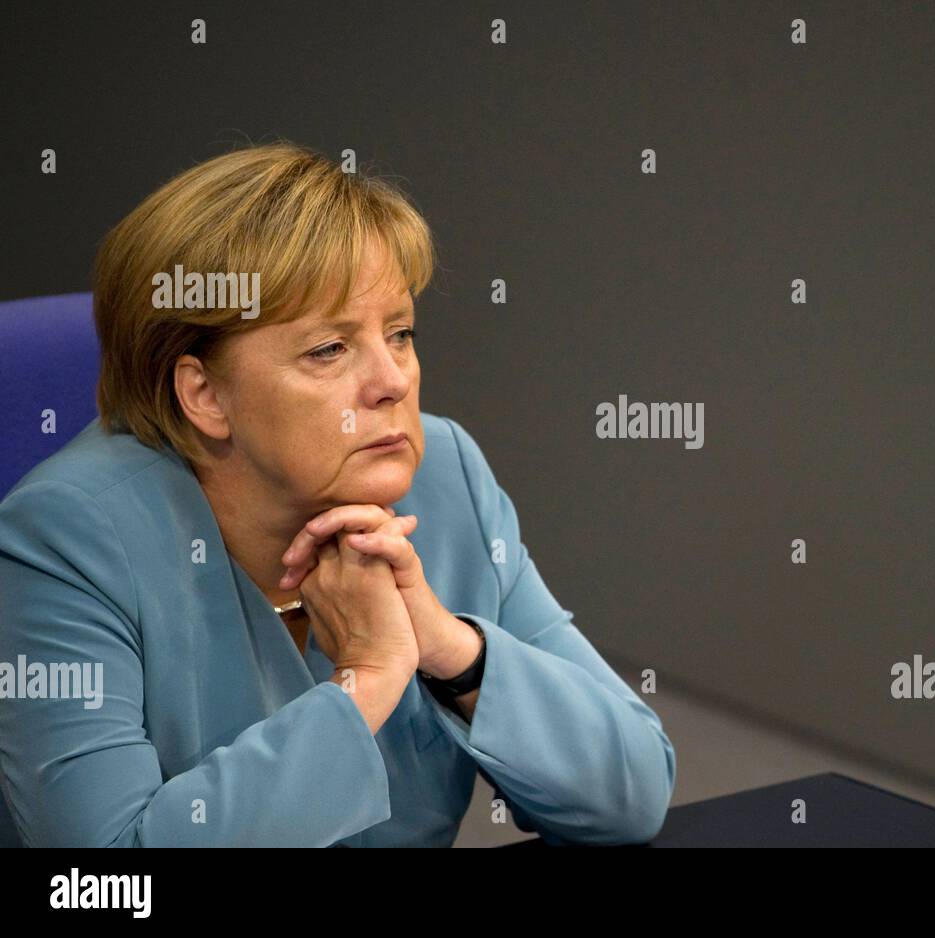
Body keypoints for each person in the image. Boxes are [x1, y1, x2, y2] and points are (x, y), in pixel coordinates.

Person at [0, 142, 675, 847]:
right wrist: (370, 681)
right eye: (330, 350)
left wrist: (452, 650)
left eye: (401, 334)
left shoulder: (443, 475)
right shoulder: (66, 540)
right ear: (203, 393)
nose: (393, 381)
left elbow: (636, 793)